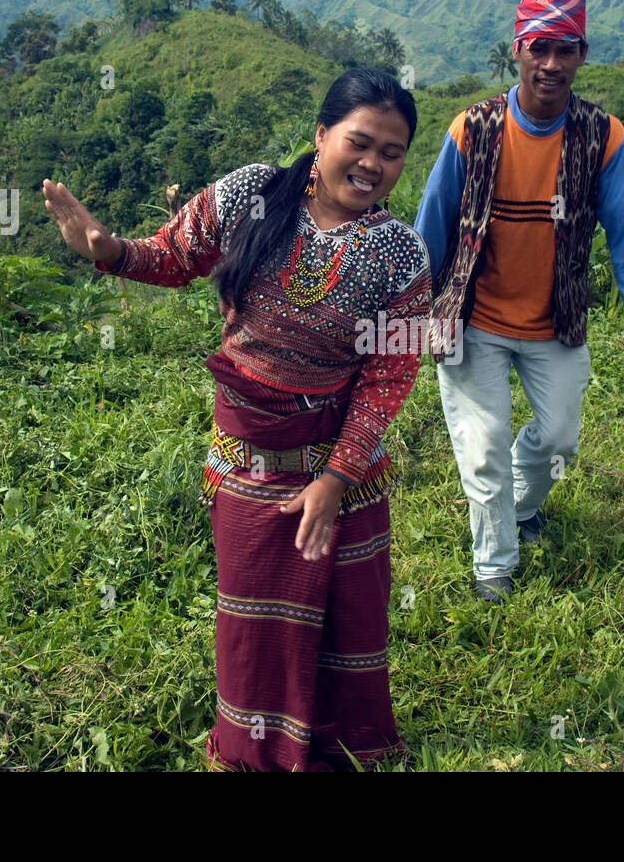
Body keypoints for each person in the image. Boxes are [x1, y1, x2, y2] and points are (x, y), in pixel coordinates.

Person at [44, 67, 430, 770]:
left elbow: (390, 375)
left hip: (342, 471)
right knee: (254, 629)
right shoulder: (253, 194)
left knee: (351, 621)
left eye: (393, 151)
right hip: (250, 461)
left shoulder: (401, 254)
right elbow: (174, 255)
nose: (373, 163)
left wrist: (336, 479)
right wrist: (110, 251)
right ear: (320, 136)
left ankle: (347, 748)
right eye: (360, 142)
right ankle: (254, 752)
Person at [414, 0, 624, 604]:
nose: (551, 64)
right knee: (485, 443)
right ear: (517, 49)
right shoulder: (474, 129)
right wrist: (404, 311)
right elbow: (432, 226)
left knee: (558, 440)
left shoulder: (603, 137)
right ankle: (494, 566)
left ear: (582, 55)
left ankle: (519, 510)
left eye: (565, 50)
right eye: (539, 48)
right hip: (473, 320)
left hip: (557, 321)